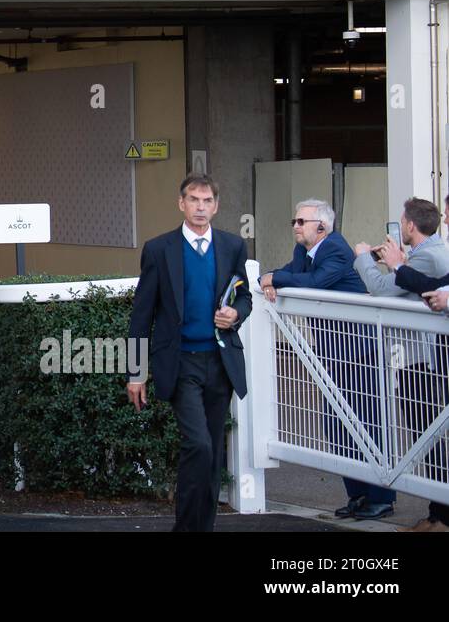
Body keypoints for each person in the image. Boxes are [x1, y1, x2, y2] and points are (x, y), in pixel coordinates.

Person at [127, 173, 251, 532]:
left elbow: (243, 296)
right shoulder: (159, 249)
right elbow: (141, 315)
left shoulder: (232, 247)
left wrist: (236, 313)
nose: (200, 207)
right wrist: (136, 372)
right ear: (181, 203)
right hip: (180, 363)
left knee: (211, 455)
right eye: (193, 200)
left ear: (216, 205)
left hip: (220, 361)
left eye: (207, 200)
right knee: (199, 446)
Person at [260, 198, 391, 520]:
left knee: (367, 422)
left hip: (359, 351)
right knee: (338, 426)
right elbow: (290, 273)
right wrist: (271, 275)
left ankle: (382, 498)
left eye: (301, 222)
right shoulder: (302, 252)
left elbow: (316, 282)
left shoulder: (336, 249)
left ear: (321, 226)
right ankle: (358, 494)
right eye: (295, 221)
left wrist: (275, 279)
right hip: (332, 352)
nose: (295, 226)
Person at [379, 195, 449, 532]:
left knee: (432, 437)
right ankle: (439, 514)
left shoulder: (434, 254)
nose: (445, 222)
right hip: (431, 359)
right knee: (431, 436)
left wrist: (392, 266)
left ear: (408, 224)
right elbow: (432, 288)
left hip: (427, 361)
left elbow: (384, 290)